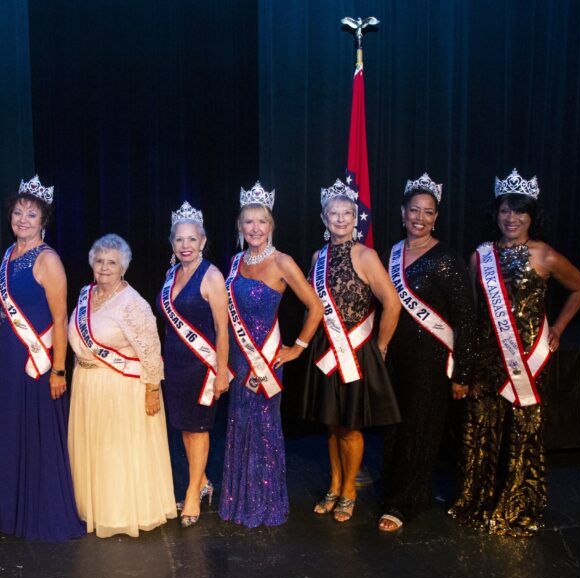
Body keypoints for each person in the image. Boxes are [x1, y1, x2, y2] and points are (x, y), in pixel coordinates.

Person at [449, 170, 580, 537]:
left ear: (532, 215)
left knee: (523, 432)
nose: (511, 219)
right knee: (480, 429)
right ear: (495, 214)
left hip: (526, 359)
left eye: (519, 212)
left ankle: (516, 505)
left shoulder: (545, 254)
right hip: (485, 357)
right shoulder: (481, 255)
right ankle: (476, 500)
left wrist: (558, 328)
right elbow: (473, 311)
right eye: (505, 211)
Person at [294, 180, 401, 523]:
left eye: (347, 213)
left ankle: (350, 490)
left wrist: (381, 346)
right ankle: (335, 485)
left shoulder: (365, 255)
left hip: (356, 350)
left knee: (350, 427)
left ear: (356, 218)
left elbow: (392, 304)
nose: (340, 219)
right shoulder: (318, 257)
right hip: (327, 350)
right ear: (323, 218)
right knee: (331, 424)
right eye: (333, 213)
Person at [220, 182, 323, 528]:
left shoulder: (283, 262)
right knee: (239, 423)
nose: (255, 228)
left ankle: (264, 502)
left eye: (261, 221)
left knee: (263, 427)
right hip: (239, 359)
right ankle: (239, 500)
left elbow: (315, 307)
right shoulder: (235, 262)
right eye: (248, 222)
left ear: (271, 225)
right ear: (240, 226)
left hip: (266, 360)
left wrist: (299, 347)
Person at [378, 175, 475, 532]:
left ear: (436, 217)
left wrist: (463, 372)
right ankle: (394, 488)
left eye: (428, 212)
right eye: (414, 210)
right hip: (397, 356)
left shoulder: (447, 258)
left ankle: (406, 502)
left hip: (431, 359)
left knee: (421, 427)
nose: (420, 217)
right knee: (394, 425)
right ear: (403, 213)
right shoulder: (391, 253)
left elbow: (466, 317)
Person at [67, 234, 177, 538]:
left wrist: (153, 390)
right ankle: (94, 508)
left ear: (123, 268)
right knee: (96, 450)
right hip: (87, 384)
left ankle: (119, 513)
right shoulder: (85, 293)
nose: (104, 267)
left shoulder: (133, 303)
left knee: (116, 451)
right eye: (99, 261)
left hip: (121, 388)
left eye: (112, 262)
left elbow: (151, 351)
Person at [0, 176, 83, 541]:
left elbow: (60, 319)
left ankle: (45, 513)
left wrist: (59, 369)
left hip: (39, 361)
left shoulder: (48, 260)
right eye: (18, 213)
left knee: (42, 435)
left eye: (31, 214)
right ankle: (15, 513)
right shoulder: (7, 254)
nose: (23, 220)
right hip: (10, 356)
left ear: (43, 220)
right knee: (15, 430)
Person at [156, 202, 231, 528]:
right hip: (176, 365)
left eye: (192, 239)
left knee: (198, 430)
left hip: (202, 367)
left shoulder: (212, 275)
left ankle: (191, 493)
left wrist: (221, 373)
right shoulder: (172, 273)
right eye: (179, 240)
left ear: (202, 242)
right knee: (186, 429)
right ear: (173, 244)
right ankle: (200, 482)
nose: (185, 245)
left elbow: (222, 329)